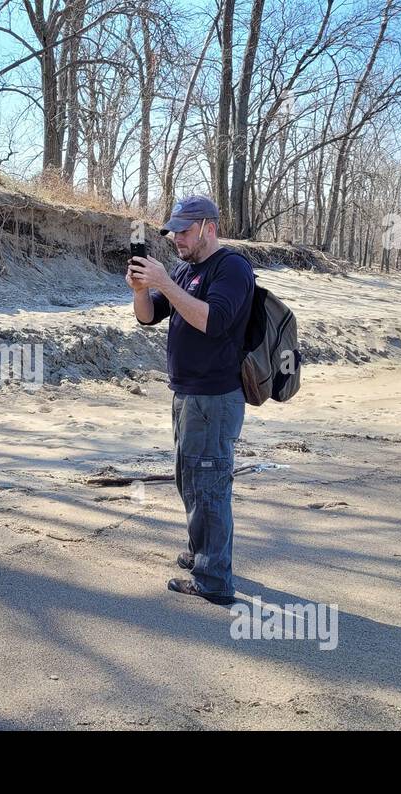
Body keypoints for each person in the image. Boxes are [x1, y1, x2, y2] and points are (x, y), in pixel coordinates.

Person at [127, 195, 255, 606]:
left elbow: (214, 321)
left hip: (215, 398)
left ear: (208, 228)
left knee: (210, 485)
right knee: (191, 480)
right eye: (174, 231)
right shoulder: (185, 270)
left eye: (183, 230)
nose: (176, 238)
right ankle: (204, 554)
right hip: (187, 395)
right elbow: (149, 317)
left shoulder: (231, 268)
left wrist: (164, 281)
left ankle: (214, 580)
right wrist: (142, 289)